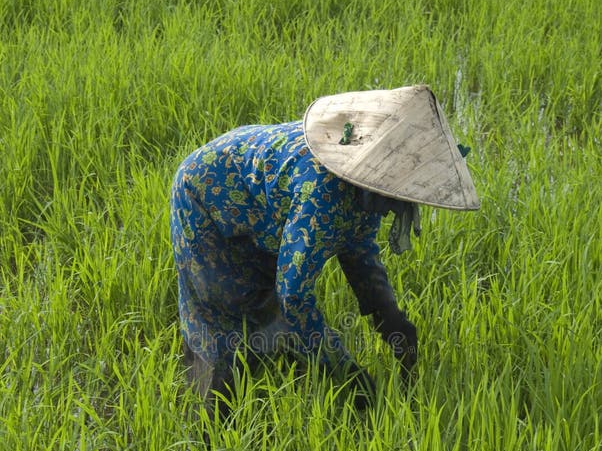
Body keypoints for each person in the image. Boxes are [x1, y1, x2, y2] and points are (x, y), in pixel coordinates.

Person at [170, 85, 479, 411]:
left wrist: (388, 314)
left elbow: (359, 248)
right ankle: (212, 424)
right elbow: (295, 296)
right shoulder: (321, 195)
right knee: (223, 311)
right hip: (204, 192)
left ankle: (271, 385)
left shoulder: (366, 185)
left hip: (256, 203)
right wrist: (346, 371)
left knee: (265, 307)